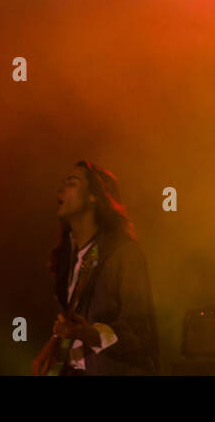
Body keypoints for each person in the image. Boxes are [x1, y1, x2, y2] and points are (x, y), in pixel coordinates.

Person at [31, 161, 159, 375]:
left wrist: (87, 334)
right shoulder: (68, 258)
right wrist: (55, 342)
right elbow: (73, 320)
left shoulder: (123, 253)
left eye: (72, 183)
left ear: (93, 197)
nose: (59, 190)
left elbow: (139, 330)